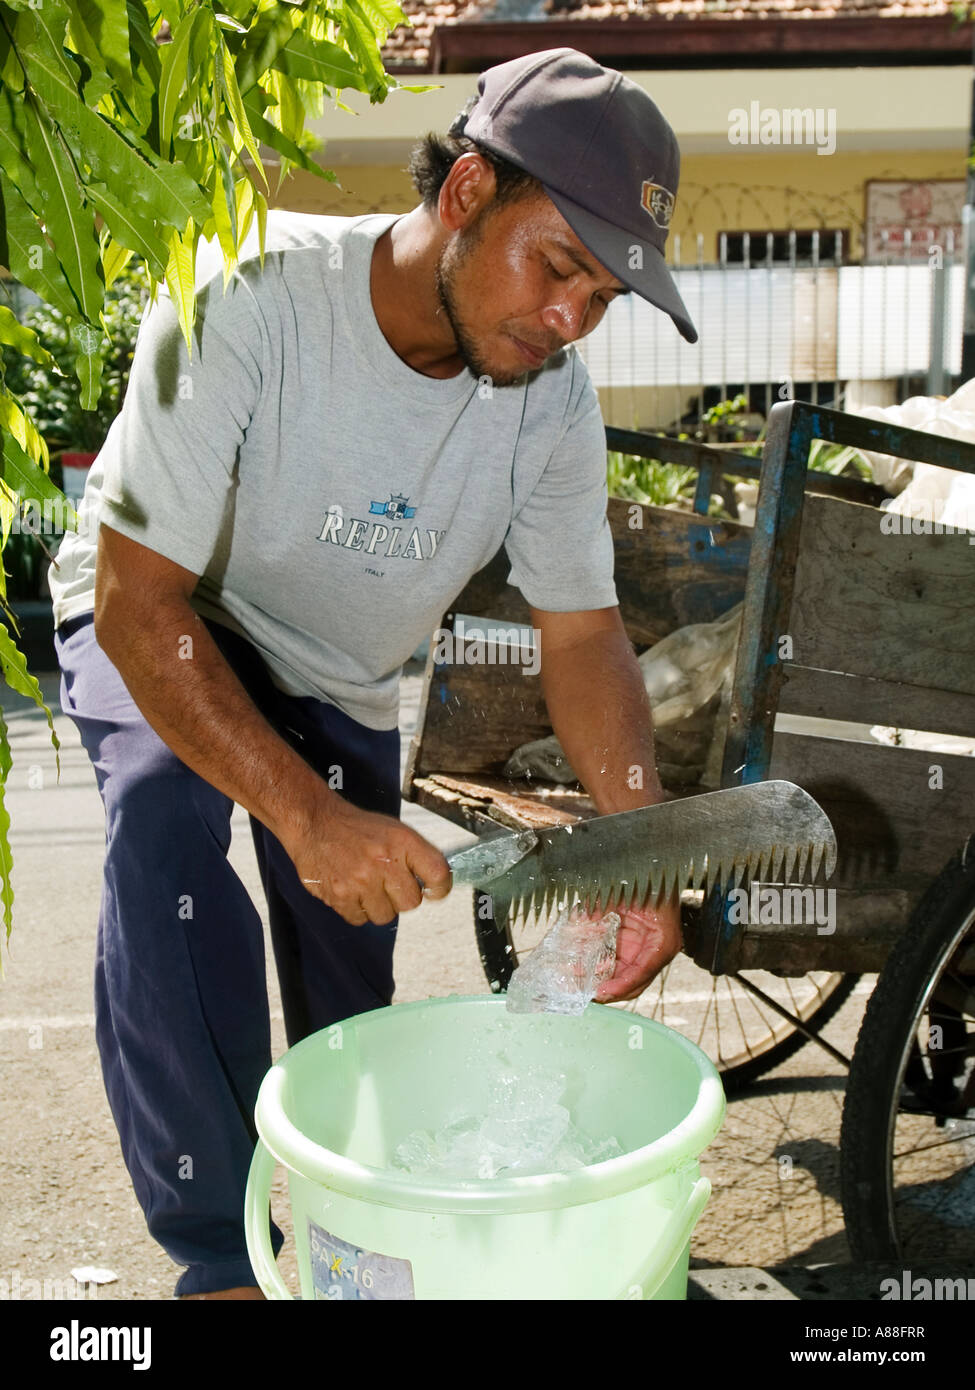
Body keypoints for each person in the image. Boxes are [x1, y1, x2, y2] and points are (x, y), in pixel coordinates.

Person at [49, 46, 699, 1299]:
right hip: (168, 615)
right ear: (465, 192)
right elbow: (140, 599)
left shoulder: (552, 404)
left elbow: (582, 635)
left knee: (352, 962)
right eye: (560, 265)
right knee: (165, 833)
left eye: (606, 295)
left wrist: (642, 843)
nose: (573, 317)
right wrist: (300, 811)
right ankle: (217, 1258)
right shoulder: (242, 291)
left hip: (338, 671)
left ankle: (369, 1228)